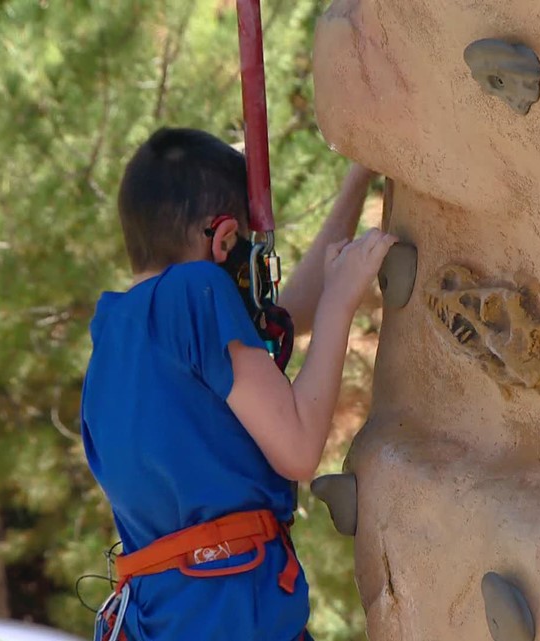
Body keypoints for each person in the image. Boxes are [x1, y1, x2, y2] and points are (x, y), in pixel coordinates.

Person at [79, 126, 396, 641]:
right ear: (225, 237)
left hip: (166, 617)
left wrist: (359, 175)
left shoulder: (114, 335)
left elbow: (291, 312)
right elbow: (297, 449)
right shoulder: (196, 290)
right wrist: (344, 297)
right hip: (230, 614)